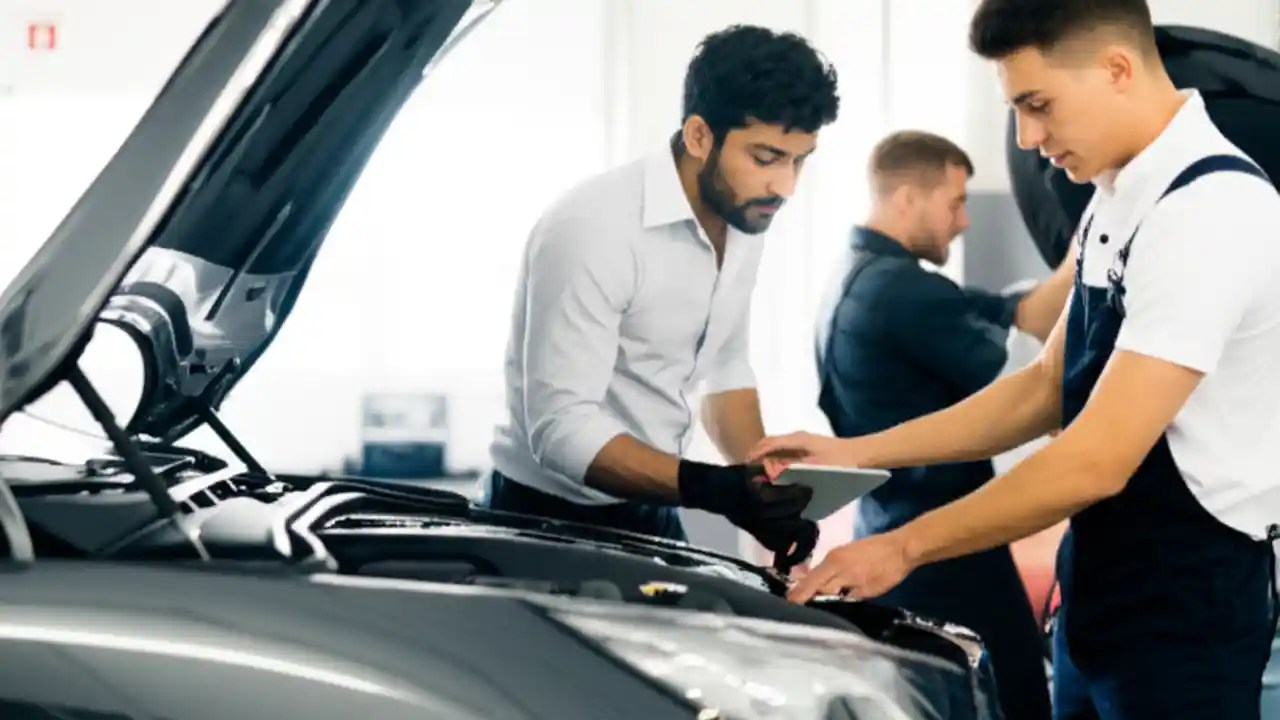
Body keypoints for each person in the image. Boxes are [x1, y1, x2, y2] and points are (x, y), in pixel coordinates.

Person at [751, 0, 1280, 717]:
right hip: (1099, 584)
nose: (1029, 139)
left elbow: (1097, 458)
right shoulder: (1113, 199)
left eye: (1039, 105)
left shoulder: (1213, 210)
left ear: (1117, 70)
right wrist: (852, 449)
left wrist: (902, 549)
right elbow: (1041, 389)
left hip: (1185, 608)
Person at [478, 24, 840, 570]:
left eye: (800, 159)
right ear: (699, 136)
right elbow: (560, 427)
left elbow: (724, 365)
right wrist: (715, 490)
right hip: (544, 521)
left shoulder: (744, 216)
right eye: (767, 158)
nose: (786, 185)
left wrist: (763, 494)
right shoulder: (594, 226)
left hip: (653, 506)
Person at [813, 129, 1070, 720]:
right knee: (1017, 703)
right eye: (955, 203)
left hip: (888, 527)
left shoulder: (860, 275)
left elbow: (1025, 311)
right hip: (947, 554)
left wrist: (1093, 242)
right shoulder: (904, 293)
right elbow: (1026, 379)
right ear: (907, 198)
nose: (964, 222)